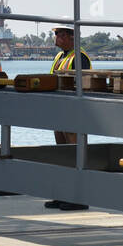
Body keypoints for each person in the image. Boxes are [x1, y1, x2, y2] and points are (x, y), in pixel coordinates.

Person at [46, 24, 92, 210]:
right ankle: (62, 194)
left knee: (75, 153)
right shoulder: (60, 56)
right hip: (60, 110)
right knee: (62, 153)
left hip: (73, 111)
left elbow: (83, 84)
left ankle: (78, 197)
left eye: (59, 34)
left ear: (70, 37)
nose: (56, 37)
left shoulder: (79, 57)